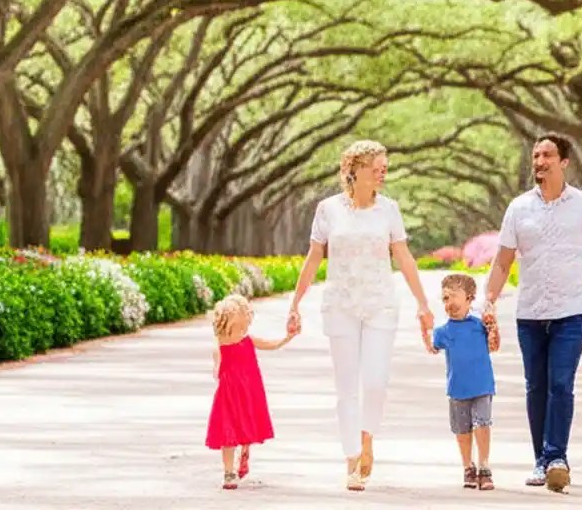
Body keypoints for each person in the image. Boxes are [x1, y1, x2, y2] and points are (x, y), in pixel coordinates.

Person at [286, 139, 436, 492]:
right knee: (346, 388)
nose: (382, 173)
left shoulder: (389, 210)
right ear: (353, 170)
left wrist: (423, 303)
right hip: (340, 304)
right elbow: (313, 258)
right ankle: (353, 456)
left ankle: (367, 438)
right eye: (376, 167)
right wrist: (295, 303)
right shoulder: (328, 210)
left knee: (375, 381)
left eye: (384, 167)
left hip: (380, 304)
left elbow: (404, 257)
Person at [481, 133, 582, 494]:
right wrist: (488, 299)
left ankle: (557, 458)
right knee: (536, 386)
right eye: (536, 155)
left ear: (564, 161)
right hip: (530, 312)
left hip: (571, 310)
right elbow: (503, 260)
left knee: (560, 383)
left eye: (547, 154)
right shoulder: (518, 208)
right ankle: (541, 460)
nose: (539, 161)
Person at [205, 293, 297, 490]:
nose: (244, 323)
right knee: (227, 434)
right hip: (228, 396)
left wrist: (287, 338)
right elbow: (217, 370)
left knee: (245, 425)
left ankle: (244, 450)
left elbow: (271, 344)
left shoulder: (248, 340)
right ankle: (229, 472)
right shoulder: (219, 346)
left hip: (248, 392)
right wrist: (218, 371)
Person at [429, 273, 501, 491]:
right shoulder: (443, 331)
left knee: (482, 423)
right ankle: (467, 466)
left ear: (470, 299)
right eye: (445, 299)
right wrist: (428, 339)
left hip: (482, 386)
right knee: (462, 430)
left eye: (454, 297)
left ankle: (484, 466)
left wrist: (493, 328)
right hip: (458, 388)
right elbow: (433, 347)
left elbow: (494, 346)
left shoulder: (480, 325)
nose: (449, 303)